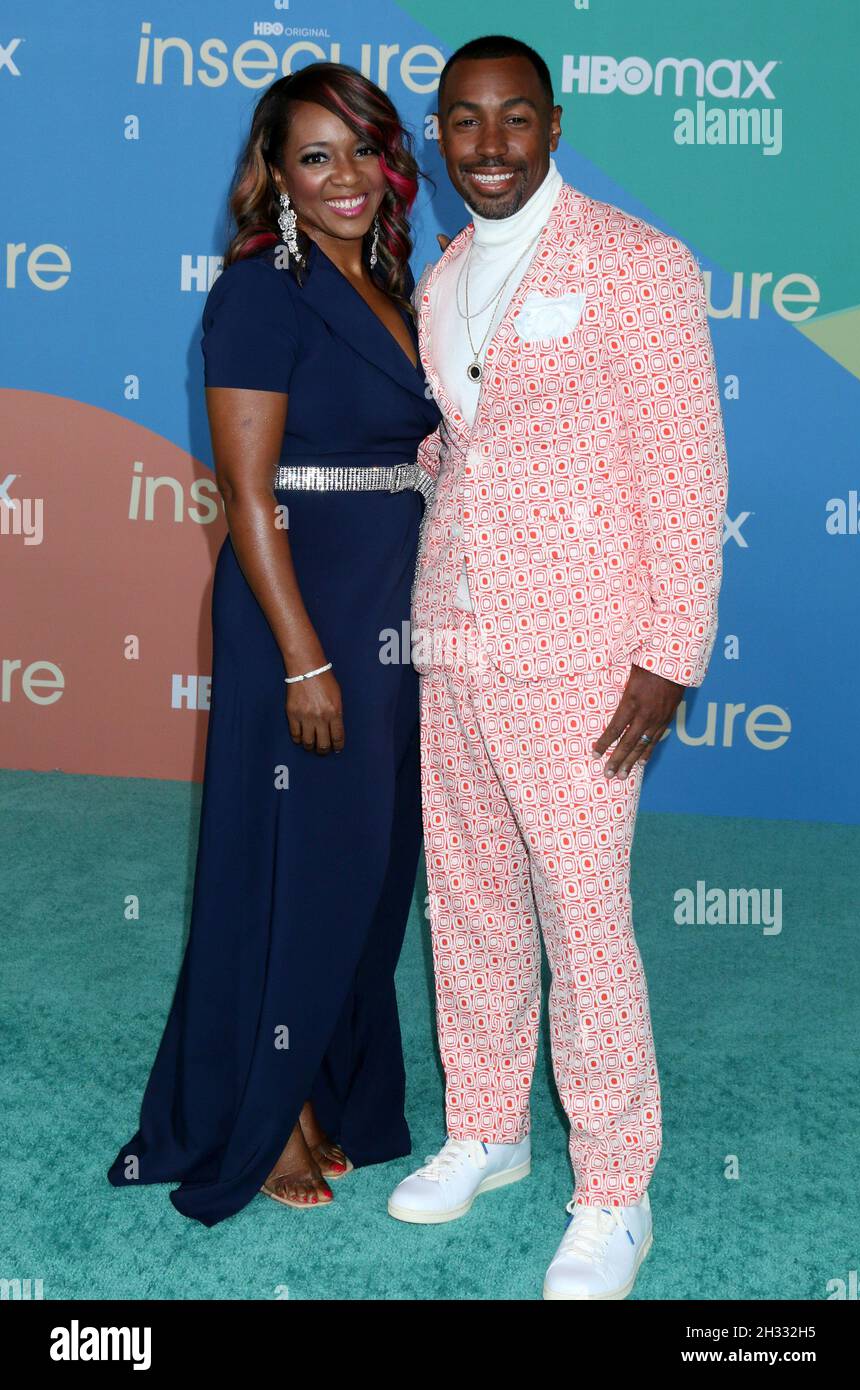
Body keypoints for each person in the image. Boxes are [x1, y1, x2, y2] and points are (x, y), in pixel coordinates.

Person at [388, 35, 728, 1299]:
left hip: (586, 646)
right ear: (439, 132)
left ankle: (613, 1190)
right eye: (464, 122)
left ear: (553, 122)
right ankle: (487, 1126)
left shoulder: (637, 264)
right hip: (457, 626)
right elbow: (468, 440)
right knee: (468, 896)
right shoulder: (445, 274)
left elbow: (685, 467)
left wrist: (669, 650)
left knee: (583, 923)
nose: (487, 145)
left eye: (513, 119)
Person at [107, 62, 442, 1226]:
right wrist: (305, 659)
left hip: (397, 605)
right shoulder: (259, 291)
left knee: (369, 866)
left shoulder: (398, 274)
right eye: (315, 157)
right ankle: (270, 1106)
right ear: (275, 177)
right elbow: (248, 496)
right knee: (294, 860)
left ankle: (337, 1085)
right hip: (300, 605)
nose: (344, 177)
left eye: (360, 151)